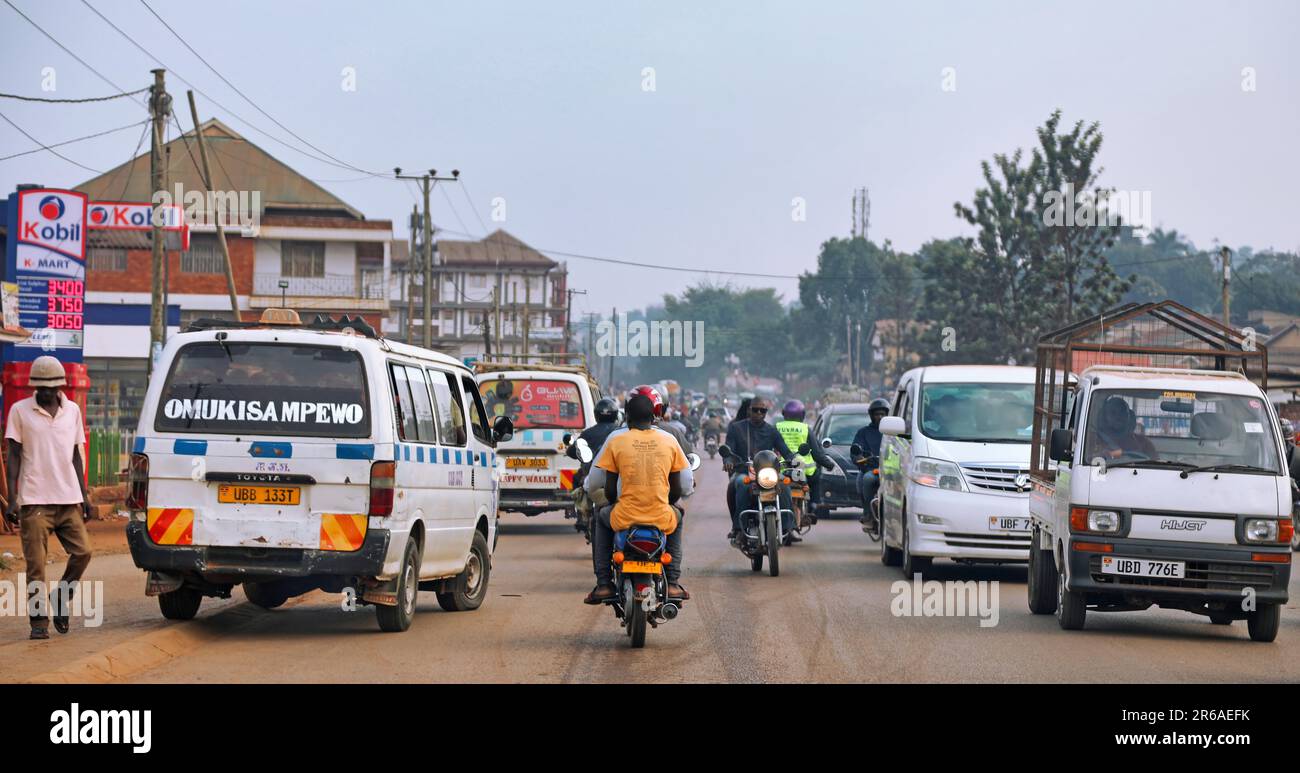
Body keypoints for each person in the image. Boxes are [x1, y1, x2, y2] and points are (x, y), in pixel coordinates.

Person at [3, 356, 93, 640]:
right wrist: (13, 498)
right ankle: (39, 623)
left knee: (83, 553)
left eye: (50, 387)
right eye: (40, 387)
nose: (44, 392)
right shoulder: (20, 411)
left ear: (58, 386)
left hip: (68, 499)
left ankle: (59, 598)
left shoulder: (73, 411)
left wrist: (85, 496)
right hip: (34, 502)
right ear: (34, 386)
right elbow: (13, 455)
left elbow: (76, 456)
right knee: (36, 566)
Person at [583, 394, 690, 604]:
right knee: (678, 516)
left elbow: (611, 491)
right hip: (661, 516)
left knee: (600, 518)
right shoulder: (670, 441)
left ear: (627, 418)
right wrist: (665, 503)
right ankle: (674, 582)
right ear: (654, 417)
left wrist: (613, 502)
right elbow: (677, 490)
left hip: (624, 517)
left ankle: (604, 584)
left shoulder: (617, 440)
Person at [724, 397, 798, 540]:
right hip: (744, 471)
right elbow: (729, 448)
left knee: (785, 484)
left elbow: (785, 450)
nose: (759, 413)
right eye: (755, 410)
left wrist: (793, 459)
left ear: (766, 412)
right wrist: (728, 460)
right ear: (748, 410)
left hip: (768, 473)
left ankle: (788, 527)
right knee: (739, 484)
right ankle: (739, 528)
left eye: (762, 410)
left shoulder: (772, 431)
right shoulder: (736, 428)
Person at [774, 399, 833, 513]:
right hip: (804, 471)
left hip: (779, 469)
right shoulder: (805, 429)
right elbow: (817, 453)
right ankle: (814, 503)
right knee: (816, 477)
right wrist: (829, 464)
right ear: (802, 415)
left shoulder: (776, 427)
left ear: (784, 414)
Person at [851, 398, 891, 527]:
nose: (879, 417)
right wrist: (858, 457)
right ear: (871, 415)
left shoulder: (893, 432)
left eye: (882, 414)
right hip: (871, 469)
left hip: (891, 470)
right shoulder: (863, 432)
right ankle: (867, 512)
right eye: (876, 414)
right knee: (865, 479)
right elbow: (855, 450)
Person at [1090, 395, 1157, 460]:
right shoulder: (1095, 440)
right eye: (1113, 413)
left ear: (1130, 417)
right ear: (1104, 417)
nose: (1118, 417)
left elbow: (1155, 465)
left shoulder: (1143, 442)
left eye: (1122, 412)